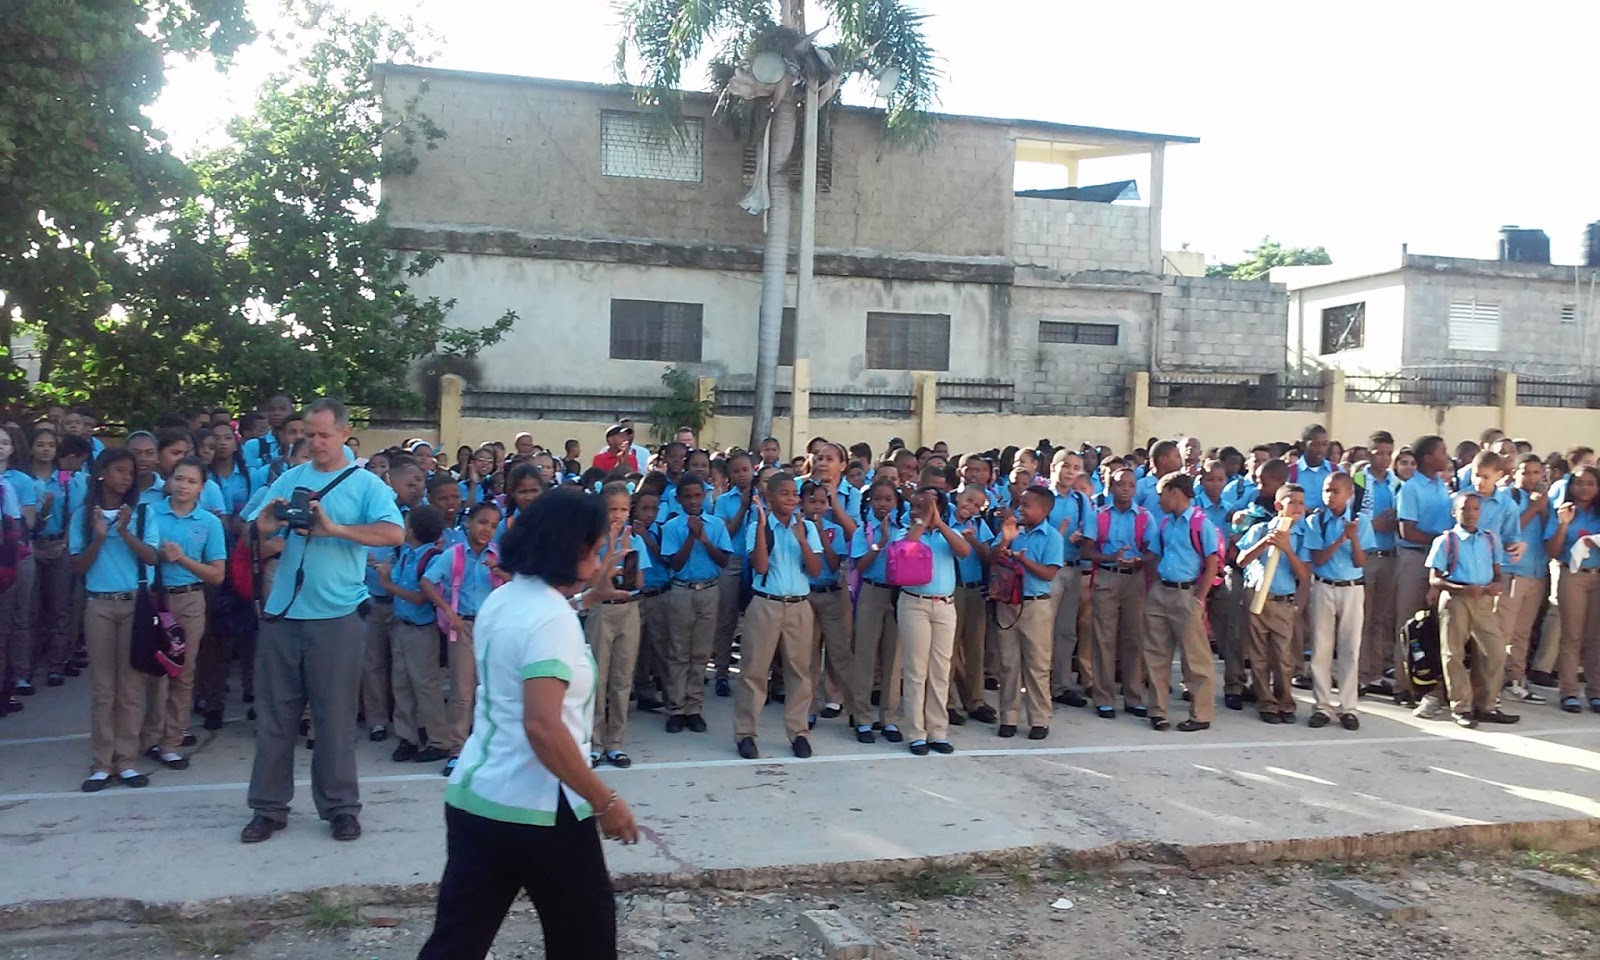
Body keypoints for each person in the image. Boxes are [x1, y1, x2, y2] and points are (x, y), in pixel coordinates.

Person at [416, 487, 639, 960]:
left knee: (456, 943)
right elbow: (542, 726)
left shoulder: (506, 598)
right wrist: (606, 800)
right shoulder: (551, 621)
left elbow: (533, 631)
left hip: (479, 797)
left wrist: (584, 600)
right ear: (573, 549)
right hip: (541, 811)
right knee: (586, 942)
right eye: (596, 548)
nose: (601, 557)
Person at [239, 398, 404, 844]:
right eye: (308, 434)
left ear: (345, 434)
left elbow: (393, 533)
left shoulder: (366, 484)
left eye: (324, 435)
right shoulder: (291, 478)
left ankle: (340, 808)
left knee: (333, 719)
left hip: (337, 617)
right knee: (276, 718)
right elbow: (254, 527)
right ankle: (268, 808)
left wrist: (335, 530)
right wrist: (268, 522)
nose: (315, 442)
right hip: (283, 613)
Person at [72, 449, 162, 791]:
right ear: (102, 474)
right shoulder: (83, 515)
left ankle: (126, 760)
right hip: (99, 604)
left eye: (130, 472)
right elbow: (77, 566)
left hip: (134, 603)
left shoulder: (141, 512)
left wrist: (124, 531)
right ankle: (102, 762)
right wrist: (98, 535)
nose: (126, 478)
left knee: (129, 687)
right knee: (102, 688)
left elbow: (152, 557)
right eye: (119, 471)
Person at [140, 457, 227, 770]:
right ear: (169, 480)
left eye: (191, 481)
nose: (183, 486)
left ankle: (172, 741)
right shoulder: (149, 513)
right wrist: (158, 556)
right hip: (155, 600)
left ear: (201, 488)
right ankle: (150, 737)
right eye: (178, 478)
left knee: (183, 672)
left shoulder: (209, 523)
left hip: (190, 599)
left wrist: (181, 559)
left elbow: (217, 574)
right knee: (153, 672)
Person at [735, 474, 822, 759]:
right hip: (766, 604)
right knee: (755, 671)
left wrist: (802, 540)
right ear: (769, 499)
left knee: (799, 671)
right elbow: (760, 567)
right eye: (783, 493)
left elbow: (816, 570)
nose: (791, 498)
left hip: (799, 605)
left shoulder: (807, 527)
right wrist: (761, 526)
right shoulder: (757, 527)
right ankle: (746, 733)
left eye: (794, 493)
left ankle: (798, 732)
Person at [421, 500, 503, 777]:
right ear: (468, 523)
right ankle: (457, 748)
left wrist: (501, 572)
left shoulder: (497, 555)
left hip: (491, 627)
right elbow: (427, 582)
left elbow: (516, 583)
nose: (487, 530)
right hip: (463, 626)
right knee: (462, 691)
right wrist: (447, 610)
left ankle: (488, 745)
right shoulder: (455, 554)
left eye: (493, 526)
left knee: (490, 689)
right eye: (482, 522)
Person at [1141, 472, 1222, 733]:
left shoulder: (1200, 524)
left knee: (1195, 657)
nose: (1159, 500)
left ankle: (1201, 714)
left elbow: (1212, 562)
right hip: (1161, 590)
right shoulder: (1166, 523)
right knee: (1156, 654)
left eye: (1162, 494)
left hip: (1186, 593)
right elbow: (1154, 554)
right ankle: (1158, 711)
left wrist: (1199, 597)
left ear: (1175, 492)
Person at [1429, 491, 1518, 728]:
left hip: (1484, 601)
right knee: (1453, 653)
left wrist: (1496, 584)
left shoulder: (1490, 539)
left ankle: (1486, 704)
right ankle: (1461, 706)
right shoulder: (1446, 540)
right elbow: (1434, 579)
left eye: (1475, 509)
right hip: (1456, 599)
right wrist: (1460, 588)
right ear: (1454, 512)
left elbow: (1498, 571)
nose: (1470, 514)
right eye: (1464, 509)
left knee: (1495, 650)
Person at [894, 487, 971, 755]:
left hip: (944, 605)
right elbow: (905, 550)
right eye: (917, 505)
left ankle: (938, 730)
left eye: (928, 506)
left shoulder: (947, 534)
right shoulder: (904, 530)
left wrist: (938, 524)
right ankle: (916, 732)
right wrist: (921, 523)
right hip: (915, 603)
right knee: (916, 670)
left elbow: (964, 552)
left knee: (940, 670)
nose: (923, 510)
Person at [376, 504, 450, 764]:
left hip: (422, 630)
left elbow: (420, 597)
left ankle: (439, 739)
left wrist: (387, 584)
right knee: (402, 683)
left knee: (426, 685)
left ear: (414, 529)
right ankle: (407, 737)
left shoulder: (433, 557)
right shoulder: (407, 554)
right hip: (402, 625)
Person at [991, 486, 1065, 739]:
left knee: (1037, 664)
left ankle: (1039, 719)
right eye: (1020, 504)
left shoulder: (1052, 537)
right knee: (1008, 663)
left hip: (1036, 604)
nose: (1021, 509)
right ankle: (1009, 717)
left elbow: (1049, 573)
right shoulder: (1014, 531)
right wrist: (1005, 540)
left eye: (1027, 506)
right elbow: (992, 557)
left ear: (1044, 510)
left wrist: (1022, 560)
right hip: (1009, 603)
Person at [584, 483, 649, 769]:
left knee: (622, 679)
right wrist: (610, 549)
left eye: (624, 509)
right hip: (601, 611)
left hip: (628, 610)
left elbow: (638, 583)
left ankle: (616, 742)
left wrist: (626, 552)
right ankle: (595, 742)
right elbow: (594, 583)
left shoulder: (635, 540)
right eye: (613, 509)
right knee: (597, 677)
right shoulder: (592, 542)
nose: (618, 515)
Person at [659, 475, 730, 734]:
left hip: (708, 590)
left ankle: (694, 707)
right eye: (687, 497)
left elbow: (723, 561)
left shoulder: (717, 524)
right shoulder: (671, 527)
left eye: (697, 496)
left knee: (701, 652)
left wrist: (704, 538)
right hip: (681, 591)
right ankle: (676, 708)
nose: (692, 501)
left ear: (705, 497)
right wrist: (690, 536)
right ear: (678, 500)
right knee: (678, 651)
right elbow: (675, 564)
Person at [1301, 473, 1372, 731]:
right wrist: (1340, 539)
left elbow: (1361, 562)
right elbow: (1318, 559)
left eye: (1336, 491)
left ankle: (1348, 708)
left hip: (1352, 588)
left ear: (1350, 494)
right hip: (1323, 585)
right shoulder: (1316, 520)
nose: (1330, 496)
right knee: (1320, 648)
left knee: (1350, 649)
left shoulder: (1360, 522)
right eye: (1327, 490)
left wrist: (1353, 538)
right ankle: (1321, 705)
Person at [1236, 483, 1310, 723]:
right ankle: (1265, 701)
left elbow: (1303, 574)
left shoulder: (1302, 534)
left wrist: (1287, 549)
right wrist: (1265, 543)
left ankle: (1285, 701)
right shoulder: (1259, 529)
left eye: (1302, 503)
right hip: (1257, 597)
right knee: (1258, 655)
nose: (1298, 508)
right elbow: (1241, 560)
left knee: (1284, 657)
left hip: (1283, 602)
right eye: (1293, 502)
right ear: (1279, 506)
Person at [1082, 467, 1151, 719]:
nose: (1126, 489)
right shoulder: (1098, 516)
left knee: (1134, 638)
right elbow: (1087, 551)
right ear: (1110, 487)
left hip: (1134, 579)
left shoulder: (1144, 517)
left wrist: (1140, 560)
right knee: (1104, 639)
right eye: (1121, 484)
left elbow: (1151, 550)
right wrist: (1112, 557)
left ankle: (1133, 696)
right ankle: (1104, 697)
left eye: (1131, 485)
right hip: (1108, 577)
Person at [1396, 436, 1457, 711]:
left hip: (1438, 563)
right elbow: (1407, 530)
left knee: (1432, 626)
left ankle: (1429, 685)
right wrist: (1439, 542)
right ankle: (1403, 685)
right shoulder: (1411, 488)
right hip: (1415, 558)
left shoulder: (1442, 487)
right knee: (1408, 622)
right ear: (1429, 458)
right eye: (1442, 451)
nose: (1447, 455)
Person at [849, 476, 905, 744]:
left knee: (893, 660)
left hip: (897, 595)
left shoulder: (904, 529)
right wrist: (880, 540)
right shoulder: (864, 531)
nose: (883, 504)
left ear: (896, 502)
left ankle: (889, 718)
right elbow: (859, 566)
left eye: (888, 499)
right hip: (871, 592)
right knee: (865, 657)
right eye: (877, 499)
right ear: (869, 502)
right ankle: (861, 718)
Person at [1544, 464, 1600, 715]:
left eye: (1590, 483)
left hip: (1597, 576)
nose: (1584, 488)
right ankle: (1568, 691)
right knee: (1571, 635)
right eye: (1579, 483)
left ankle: (1596, 691)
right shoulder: (1564, 510)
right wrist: (1564, 524)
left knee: (1595, 638)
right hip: (1572, 574)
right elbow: (1553, 551)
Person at [1499, 453, 1551, 704]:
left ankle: (1515, 679)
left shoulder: (1542, 498)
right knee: (1503, 631)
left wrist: (1542, 506)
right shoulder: (1508, 496)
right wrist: (1533, 508)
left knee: (1523, 632)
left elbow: (1548, 529)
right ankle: (1492, 679)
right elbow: (1508, 530)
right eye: (1525, 472)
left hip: (1536, 571)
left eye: (1535, 472)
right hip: (1512, 570)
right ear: (1515, 473)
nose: (1531, 477)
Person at [1355, 431, 1402, 695]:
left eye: (1388, 453)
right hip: (1367, 554)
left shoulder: (1396, 483)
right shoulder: (1360, 480)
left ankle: (1374, 673)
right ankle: (1359, 673)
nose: (1384, 458)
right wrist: (1375, 524)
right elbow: (1351, 515)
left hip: (1390, 554)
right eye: (1379, 453)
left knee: (1381, 618)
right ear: (1369, 453)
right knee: (1363, 616)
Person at [1045, 450, 1092, 708]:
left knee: (1066, 631)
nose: (1070, 472)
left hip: (1072, 567)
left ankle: (1061, 684)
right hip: (1049, 570)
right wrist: (1058, 536)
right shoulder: (1042, 497)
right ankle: (1039, 683)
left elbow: (1091, 532)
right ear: (1054, 467)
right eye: (1066, 466)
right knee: (1043, 630)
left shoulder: (1080, 501)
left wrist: (1082, 537)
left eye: (1076, 467)